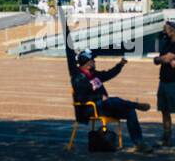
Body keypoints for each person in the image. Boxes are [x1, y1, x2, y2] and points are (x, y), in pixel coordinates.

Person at [65, 23, 151, 153]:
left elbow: (109, 74)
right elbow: (81, 98)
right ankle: (135, 104)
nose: (95, 61)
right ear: (87, 63)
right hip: (89, 108)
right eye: (93, 60)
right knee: (113, 101)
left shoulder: (94, 74)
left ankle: (139, 143)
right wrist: (99, 97)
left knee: (130, 112)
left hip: (103, 106)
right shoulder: (79, 77)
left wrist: (120, 65)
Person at [152, 20, 175, 151]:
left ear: (172, 30)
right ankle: (166, 138)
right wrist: (165, 59)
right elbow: (157, 60)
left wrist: (165, 59)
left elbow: (163, 59)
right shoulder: (167, 44)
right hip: (163, 81)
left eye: (165, 30)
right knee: (164, 111)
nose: (164, 32)